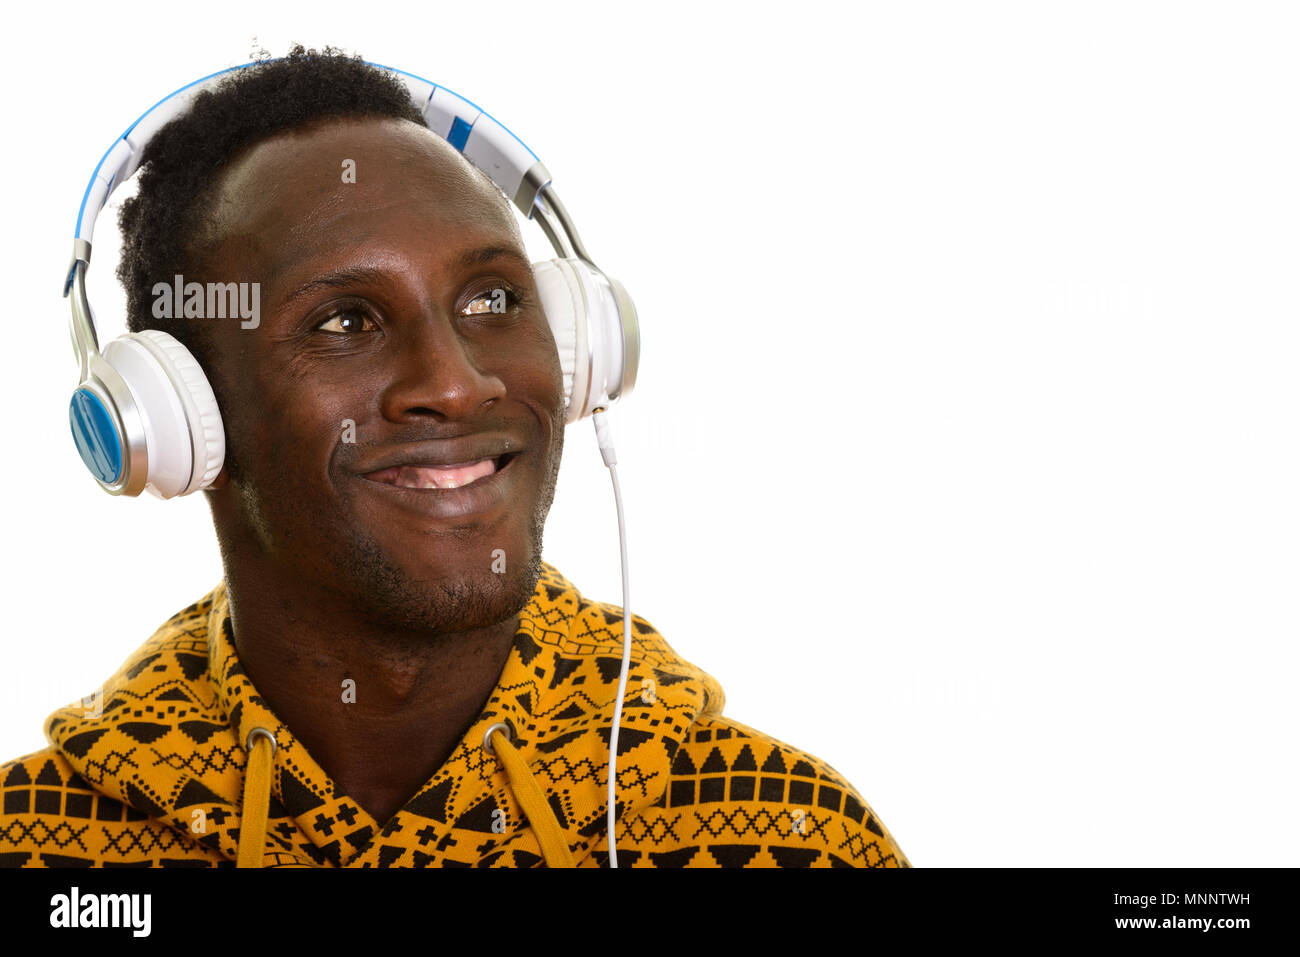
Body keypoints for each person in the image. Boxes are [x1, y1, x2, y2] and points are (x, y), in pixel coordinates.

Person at [0, 46, 910, 868]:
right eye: (344, 321)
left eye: (492, 301)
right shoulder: (38, 845)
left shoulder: (789, 836)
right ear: (176, 417)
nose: (457, 380)